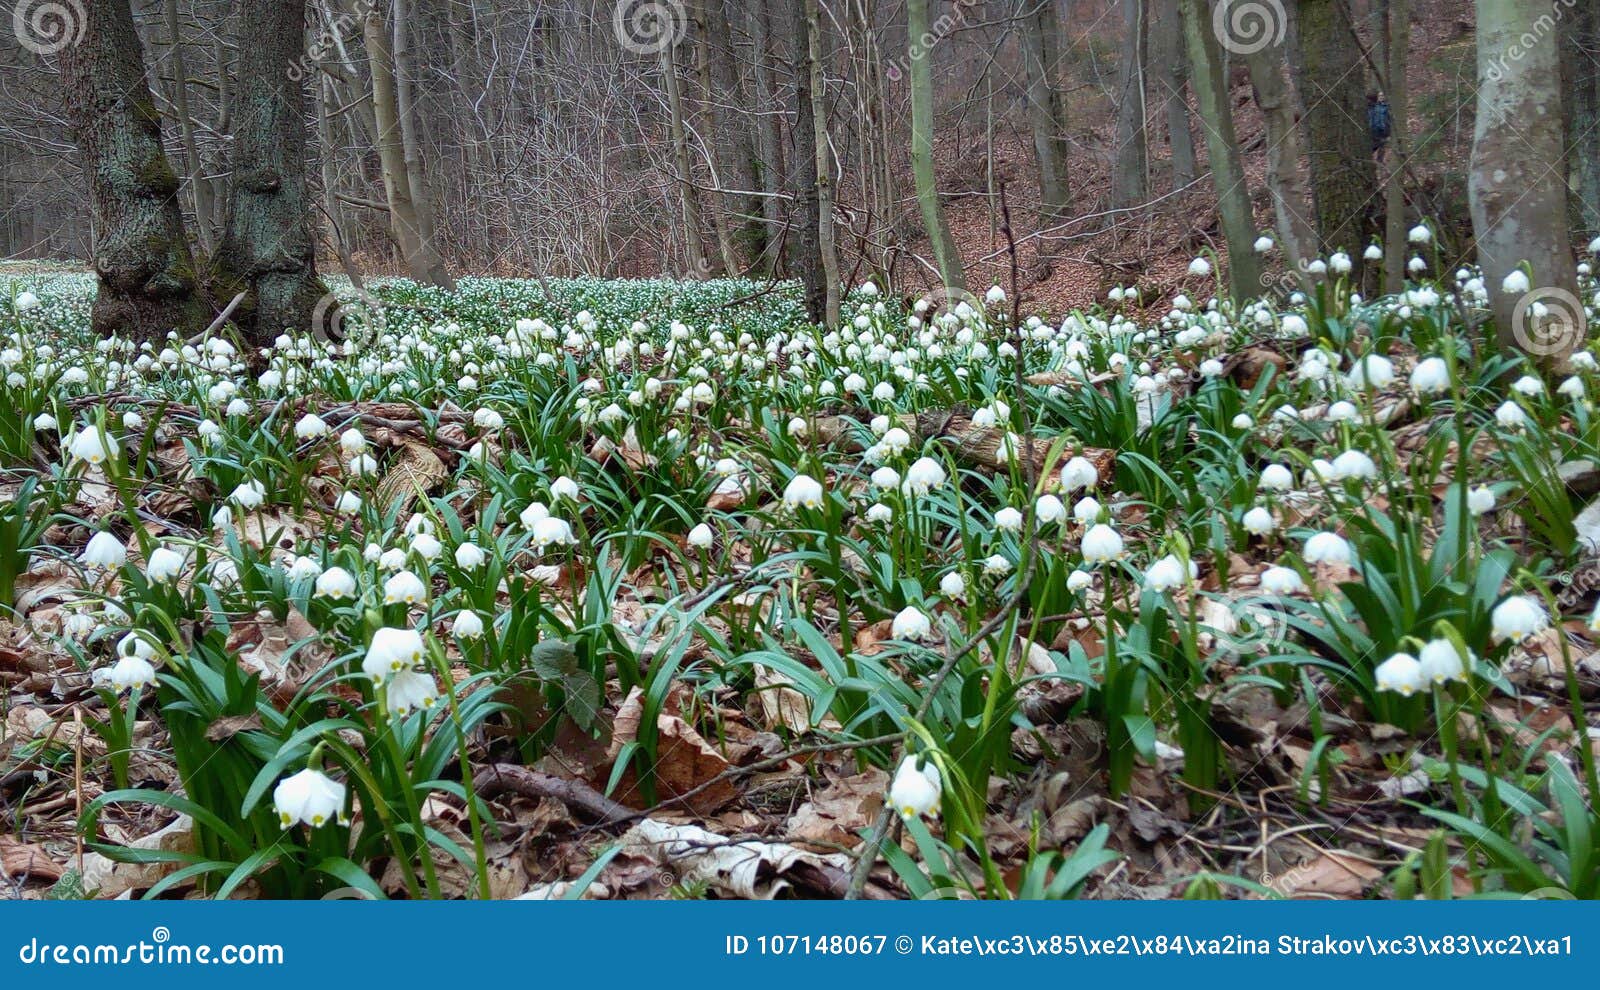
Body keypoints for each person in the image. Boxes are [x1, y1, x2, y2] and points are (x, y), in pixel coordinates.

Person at [1368, 91, 1392, 163]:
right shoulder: (1372, 106)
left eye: (1383, 95)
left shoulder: (1386, 107)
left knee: (1382, 147)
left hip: (1383, 130)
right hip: (1373, 130)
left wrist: (1388, 133)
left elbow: (1388, 120)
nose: (1381, 97)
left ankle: (1380, 163)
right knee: (1373, 147)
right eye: (1380, 96)